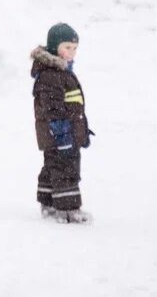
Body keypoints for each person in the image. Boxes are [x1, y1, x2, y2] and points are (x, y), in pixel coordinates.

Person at [31, 23, 92, 224]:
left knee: (53, 166)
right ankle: (68, 209)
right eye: (67, 47)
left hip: (62, 133)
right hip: (59, 134)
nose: (71, 52)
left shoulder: (62, 72)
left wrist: (81, 127)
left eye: (74, 48)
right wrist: (62, 133)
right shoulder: (51, 75)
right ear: (54, 47)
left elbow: (72, 105)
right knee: (67, 168)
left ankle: (48, 201)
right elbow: (52, 110)